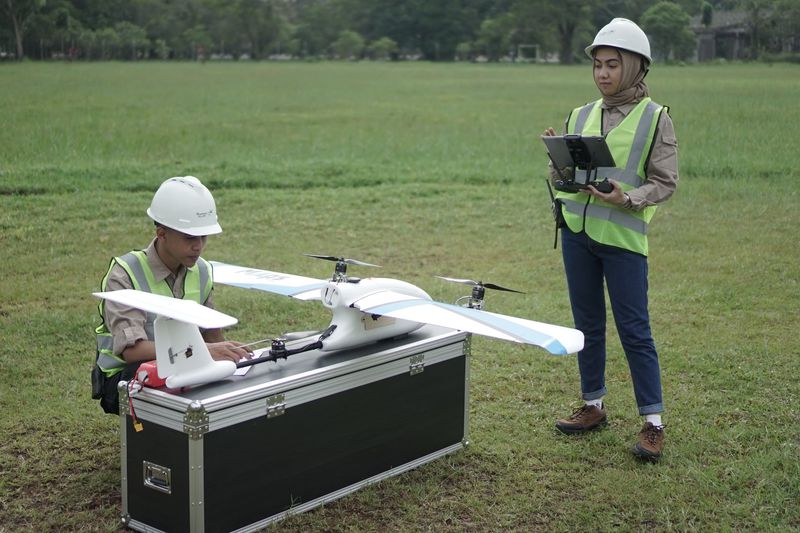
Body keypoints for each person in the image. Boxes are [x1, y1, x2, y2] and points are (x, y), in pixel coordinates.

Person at [543, 18, 678, 461]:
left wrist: (629, 198)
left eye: (612, 65)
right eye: (598, 65)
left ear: (636, 67)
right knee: (587, 324)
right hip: (577, 235)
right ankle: (593, 405)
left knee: (635, 330)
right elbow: (566, 180)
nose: (603, 73)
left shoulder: (656, 118)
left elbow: (664, 181)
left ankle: (653, 423)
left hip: (622, 239)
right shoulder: (579, 114)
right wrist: (557, 162)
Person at [92, 176, 252, 414]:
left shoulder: (203, 270)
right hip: (124, 379)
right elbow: (131, 352)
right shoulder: (124, 274)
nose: (198, 246)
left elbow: (211, 333)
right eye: (189, 238)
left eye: (203, 237)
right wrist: (205, 352)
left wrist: (230, 355)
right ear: (161, 233)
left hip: (183, 364)